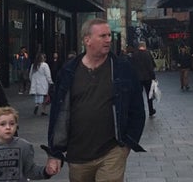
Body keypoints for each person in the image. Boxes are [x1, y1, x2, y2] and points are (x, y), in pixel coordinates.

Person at [44, 19, 146, 181]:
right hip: (78, 154)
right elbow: (58, 113)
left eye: (109, 35)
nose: (108, 39)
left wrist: (127, 144)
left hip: (112, 151)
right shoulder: (69, 70)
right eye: (102, 36)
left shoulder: (122, 68)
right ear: (87, 40)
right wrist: (54, 152)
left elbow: (137, 109)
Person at [0, 107, 50, 182]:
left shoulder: (24, 146)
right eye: (2, 124)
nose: (8, 127)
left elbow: (30, 171)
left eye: (12, 124)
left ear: (16, 126)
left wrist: (46, 171)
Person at [130, 43, 157, 117]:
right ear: (144, 47)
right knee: (149, 94)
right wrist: (153, 77)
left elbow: (131, 66)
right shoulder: (147, 54)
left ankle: (139, 111)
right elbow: (151, 67)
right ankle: (151, 110)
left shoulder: (134, 55)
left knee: (138, 95)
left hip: (137, 78)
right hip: (147, 77)